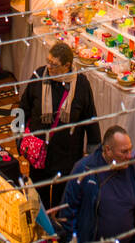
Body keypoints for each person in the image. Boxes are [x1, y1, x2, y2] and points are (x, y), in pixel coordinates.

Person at [18, 41, 100, 207]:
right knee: (37, 201)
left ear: (67, 65)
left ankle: (57, 230)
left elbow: (90, 118)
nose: (49, 67)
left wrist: (93, 152)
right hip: (38, 154)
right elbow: (22, 108)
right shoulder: (39, 76)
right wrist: (19, 138)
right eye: (48, 61)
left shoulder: (81, 85)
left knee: (60, 203)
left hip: (66, 158)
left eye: (54, 64)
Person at [59, 125, 135, 243]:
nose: (129, 156)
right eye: (124, 152)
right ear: (108, 150)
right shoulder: (84, 170)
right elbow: (67, 212)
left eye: (130, 150)